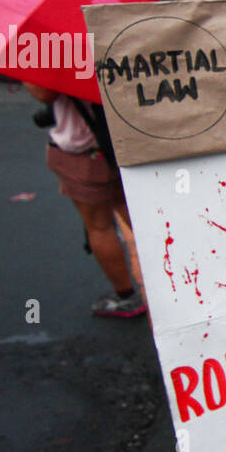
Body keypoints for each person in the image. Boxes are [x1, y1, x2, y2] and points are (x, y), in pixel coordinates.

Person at [25, 83, 146, 318]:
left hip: (86, 149)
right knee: (138, 216)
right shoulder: (105, 44)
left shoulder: (65, 47)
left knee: (99, 225)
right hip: (127, 139)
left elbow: (44, 92)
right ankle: (180, 283)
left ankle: (125, 296)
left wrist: (25, 74)